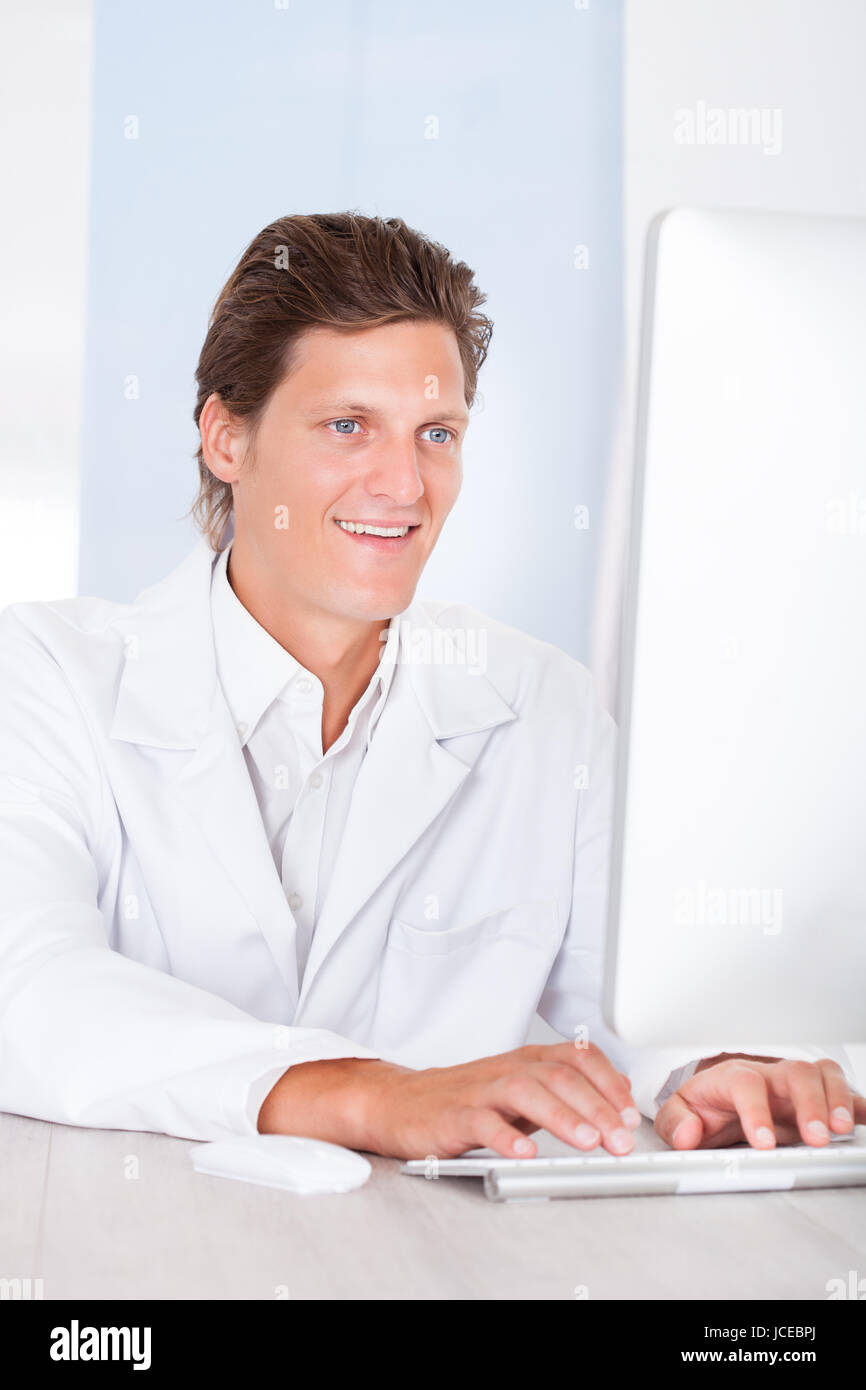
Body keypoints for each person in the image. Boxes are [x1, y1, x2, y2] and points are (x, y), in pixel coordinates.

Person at [0, 213, 861, 1161]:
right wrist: (373, 1097)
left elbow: (639, 993)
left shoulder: (541, 709)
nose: (405, 484)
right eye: (347, 426)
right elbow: (28, 988)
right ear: (225, 440)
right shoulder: (48, 679)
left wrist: (722, 1067)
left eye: (436, 433)